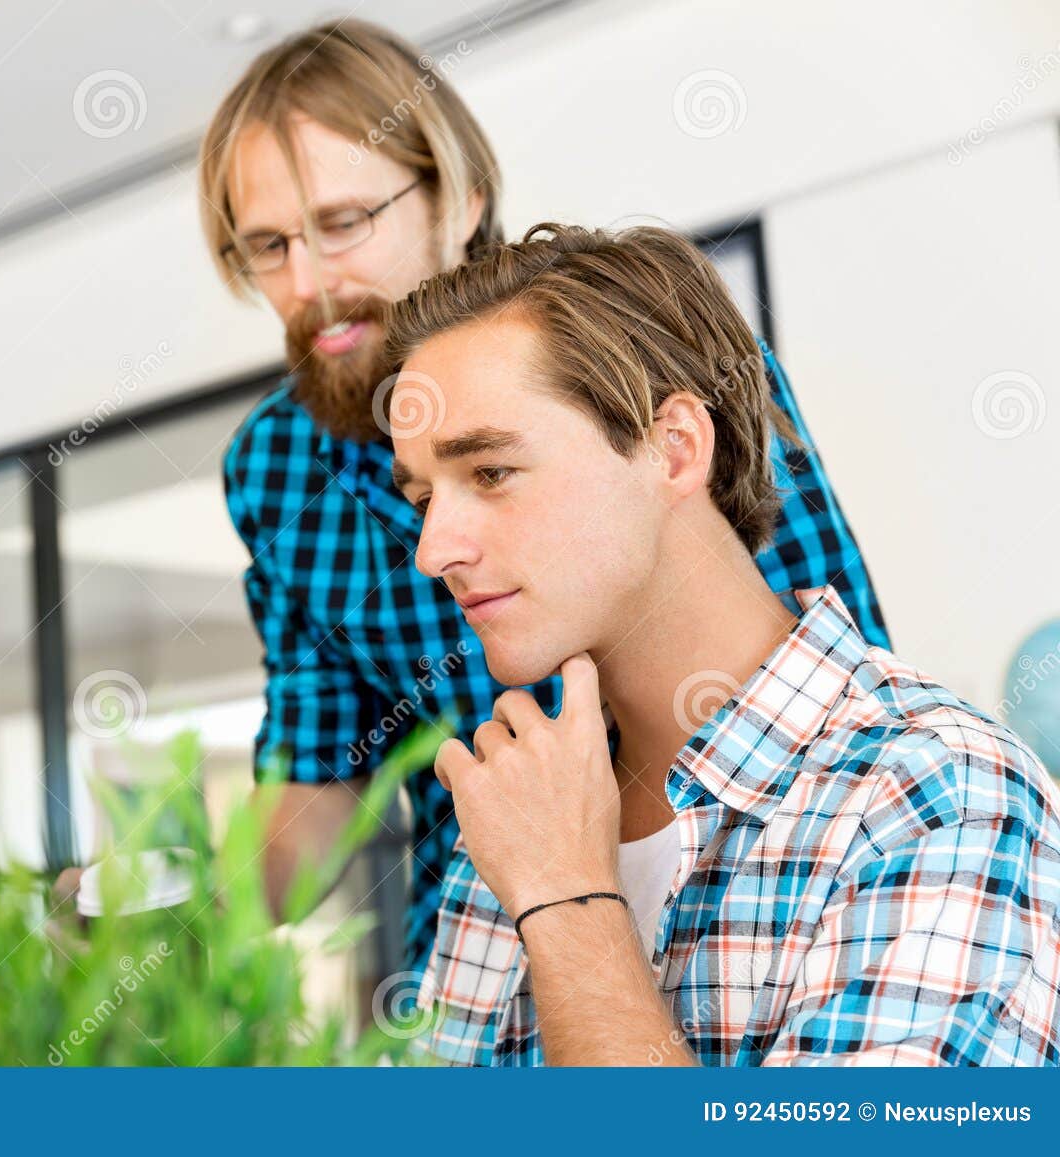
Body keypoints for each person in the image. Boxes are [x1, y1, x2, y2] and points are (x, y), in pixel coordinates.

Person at [200, 19, 888, 975]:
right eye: (268, 246)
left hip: (730, 914)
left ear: (460, 199)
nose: (309, 282)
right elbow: (320, 767)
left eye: (344, 223)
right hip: (477, 940)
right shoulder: (276, 466)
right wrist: (169, 919)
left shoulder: (634, 359)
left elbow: (822, 675)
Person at [384, 222, 1060, 1066]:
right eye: (424, 499)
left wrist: (566, 901)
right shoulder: (514, 818)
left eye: (490, 472)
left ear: (674, 449)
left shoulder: (936, 795)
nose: (434, 550)